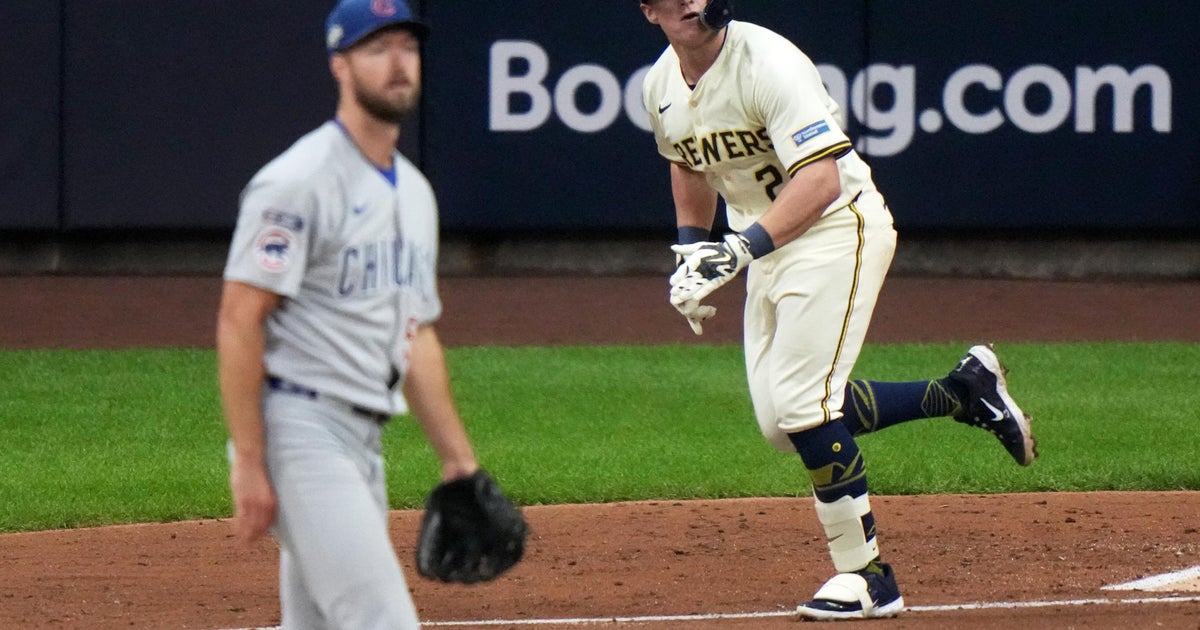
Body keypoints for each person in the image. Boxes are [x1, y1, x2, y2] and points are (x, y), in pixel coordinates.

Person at [638, 0, 1038, 621]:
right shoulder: (660, 85)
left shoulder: (769, 61)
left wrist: (738, 249)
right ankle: (963, 392)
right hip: (768, 242)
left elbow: (821, 180)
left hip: (835, 227)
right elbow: (688, 163)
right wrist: (692, 251)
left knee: (803, 407)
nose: (693, 0)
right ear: (648, 10)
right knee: (783, 425)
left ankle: (868, 577)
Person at [216, 1, 486, 627]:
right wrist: (252, 462)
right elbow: (238, 317)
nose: (398, 63)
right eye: (377, 48)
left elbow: (414, 337)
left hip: (360, 444)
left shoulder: (415, 193)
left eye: (407, 47)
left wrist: (459, 459)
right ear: (340, 65)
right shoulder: (300, 180)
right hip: (299, 434)